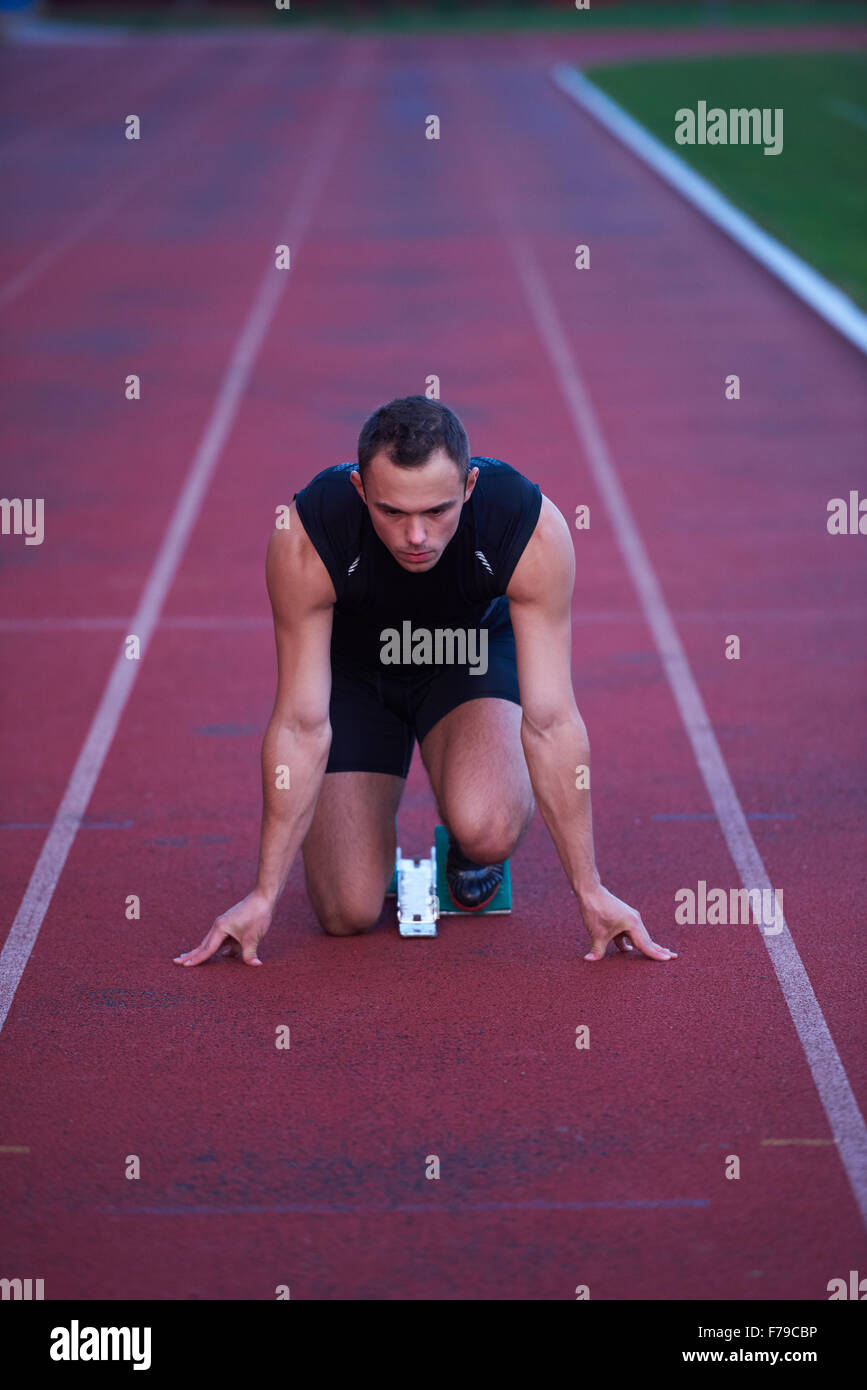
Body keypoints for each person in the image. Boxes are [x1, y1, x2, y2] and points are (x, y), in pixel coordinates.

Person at [174, 396, 676, 967]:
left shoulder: (527, 527)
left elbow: (553, 719)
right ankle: (366, 842)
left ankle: (469, 852)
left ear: (469, 486)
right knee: (345, 913)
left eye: (436, 511)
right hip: (358, 677)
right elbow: (299, 722)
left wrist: (590, 890)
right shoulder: (305, 537)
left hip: (468, 659)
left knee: (487, 825)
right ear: (361, 490)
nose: (416, 536)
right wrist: (263, 895)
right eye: (392, 512)